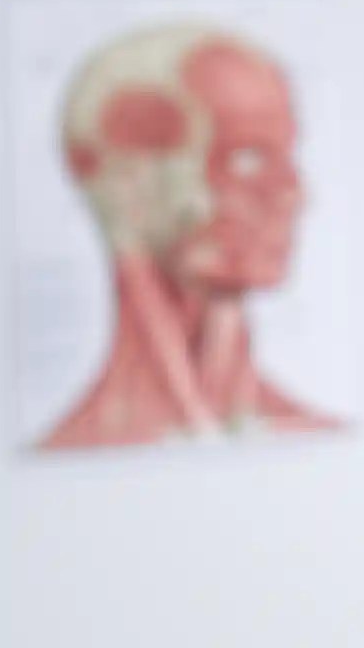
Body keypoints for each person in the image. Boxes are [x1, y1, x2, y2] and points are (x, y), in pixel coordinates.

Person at [44, 24, 338, 450]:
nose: (293, 193)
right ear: (131, 177)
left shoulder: (311, 437)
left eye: (286, 156)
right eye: (249, 156)